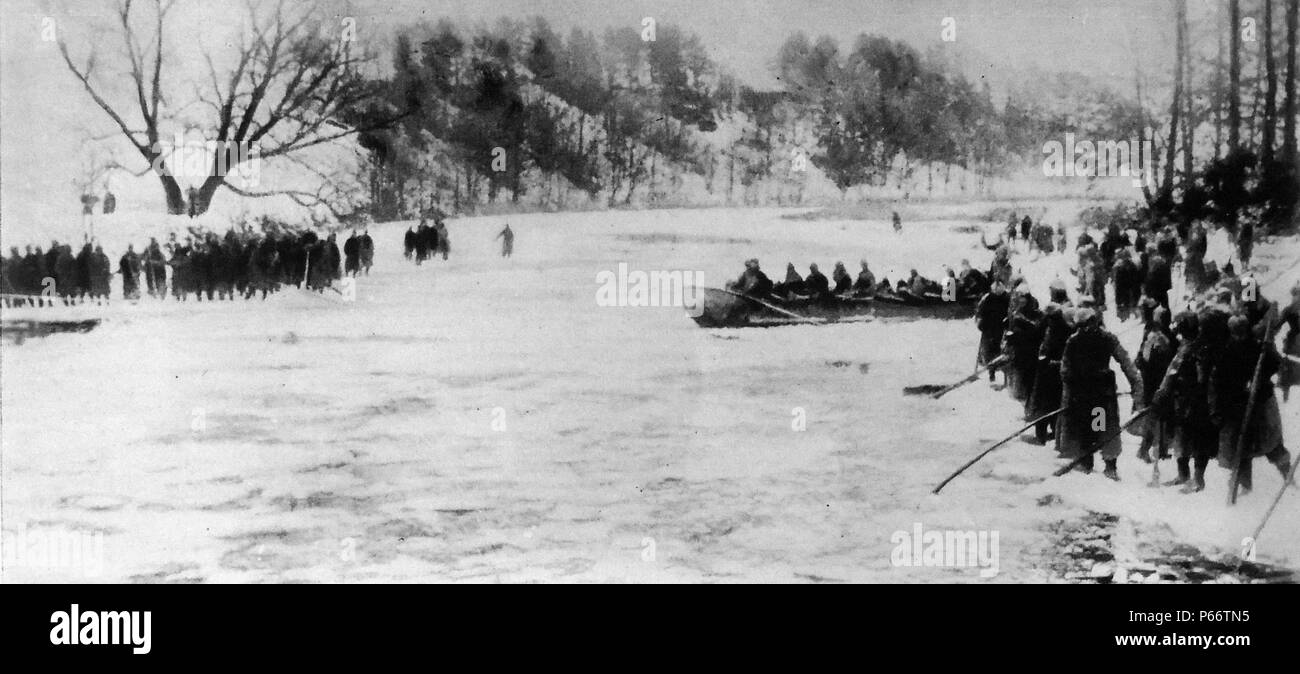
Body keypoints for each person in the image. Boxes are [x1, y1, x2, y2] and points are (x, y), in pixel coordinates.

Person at [1058, 308, 1144, 480]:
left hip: (1100, 395)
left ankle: (1109, 465)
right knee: (1085, 429)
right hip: (1083, 394)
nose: (1086, 329)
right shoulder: (1074, 342)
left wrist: (1136, 383)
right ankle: (1086, 462)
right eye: (1082, 326)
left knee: (1102, 427)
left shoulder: (1106, 339)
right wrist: (1070, 382)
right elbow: (1065, 368)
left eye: (1088, 324)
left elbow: (1125, 361)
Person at [1211, 315, 1292, 495]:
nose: (1239, 335)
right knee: (1242, 448)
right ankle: (1246, 487)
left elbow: (1276, 364)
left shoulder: (1258, 347)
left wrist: (1267, 353)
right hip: (1239, 406)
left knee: (1271, 443)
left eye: (1241, 332)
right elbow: (1221, 380)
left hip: (1261, 404)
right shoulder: (1227, 351)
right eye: (1236, 332)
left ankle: (1289, 479)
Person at [1150, 310, 1219, 492]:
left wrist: (1162, 391)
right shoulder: (1192, 347)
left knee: (1196, 439)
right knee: (1184, 437)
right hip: (1187, 400)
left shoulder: (1191, 349)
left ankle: (1197, 479)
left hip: (1194, 400)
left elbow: (1172, 373)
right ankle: (1184, 475)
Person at [1132, 305, 1176, 464]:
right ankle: (1144, 449)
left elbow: (1140, 360)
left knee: (1163, 415)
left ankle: (1162, 449)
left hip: (1157, 380)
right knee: (1155, 415)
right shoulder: (1157, 337)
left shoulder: (1157, 335)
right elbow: (1142, 360)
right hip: (1156, 381)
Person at [1027, 304, 1072, 444]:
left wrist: (1054, 363)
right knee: (1048, 404)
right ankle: (1044, 433)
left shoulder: (1064, 331)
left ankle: (1048, 432)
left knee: (1048, 404)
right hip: (1047, 372)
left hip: (1053, 373)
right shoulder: (1049, 328)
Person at [1002, 287, 1043, 403]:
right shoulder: (1016, 312)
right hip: (1019, 349)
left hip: (1030, 349)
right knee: (1018, 373)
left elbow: (1037, 328)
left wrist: (1023, 321)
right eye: (1020, 298)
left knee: (1028, 376)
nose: (1022, 301)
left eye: (1024, 298)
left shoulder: (1036, 313)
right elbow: (1011, 328)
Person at [975, 280, 1011, 382]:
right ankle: (992, 374)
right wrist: (981, 325)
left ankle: (1002, 376)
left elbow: (1010, 312)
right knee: (989, 352)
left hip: (1001, 329)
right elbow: (980, 313)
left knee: (1001, 353)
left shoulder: (1007, 298)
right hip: (989, 329)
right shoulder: (988, 298)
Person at [1276, 284, 1300, 403]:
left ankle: (1285, 393)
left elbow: (1277, 325)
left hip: (1294, 344)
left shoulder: (1289, 308)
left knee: (1285, 365)